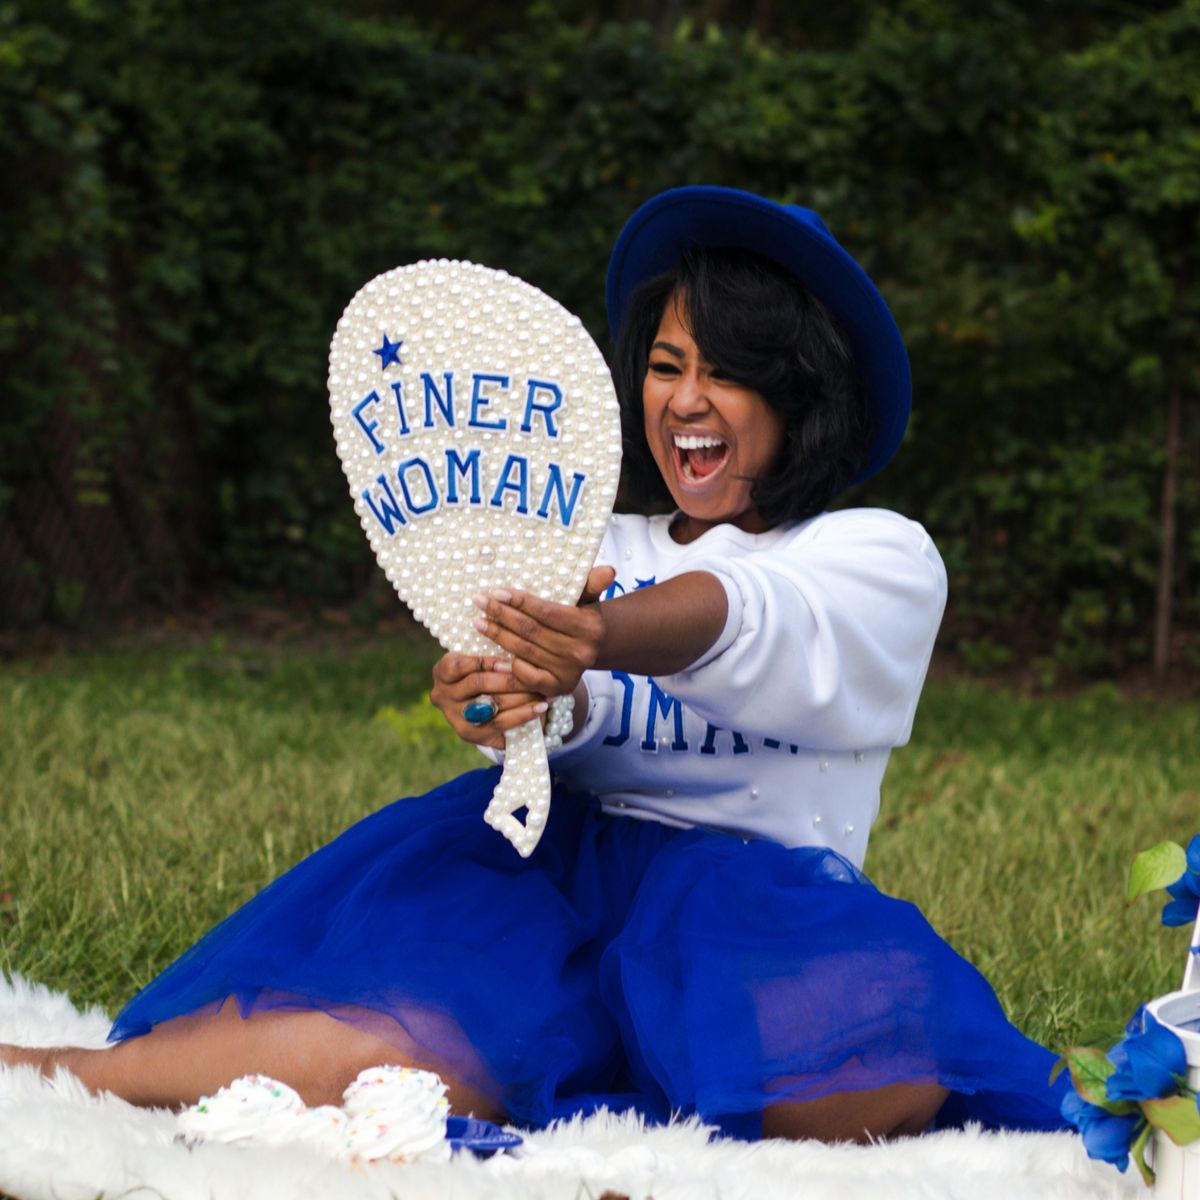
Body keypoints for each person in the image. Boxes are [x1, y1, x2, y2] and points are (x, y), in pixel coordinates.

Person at [0, 186, 1068, 1143]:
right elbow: (560, 714)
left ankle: (620, 1079)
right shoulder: (595, 538)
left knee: (870, 1080)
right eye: (666, 365)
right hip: (544, 897)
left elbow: (754, 612)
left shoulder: (873, 552)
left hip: (760, 912)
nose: (688, 400)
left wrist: (600, 635)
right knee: (385, 1048)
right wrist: (507, 702)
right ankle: (65, 1071)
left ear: (803, 397)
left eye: (731, 374)